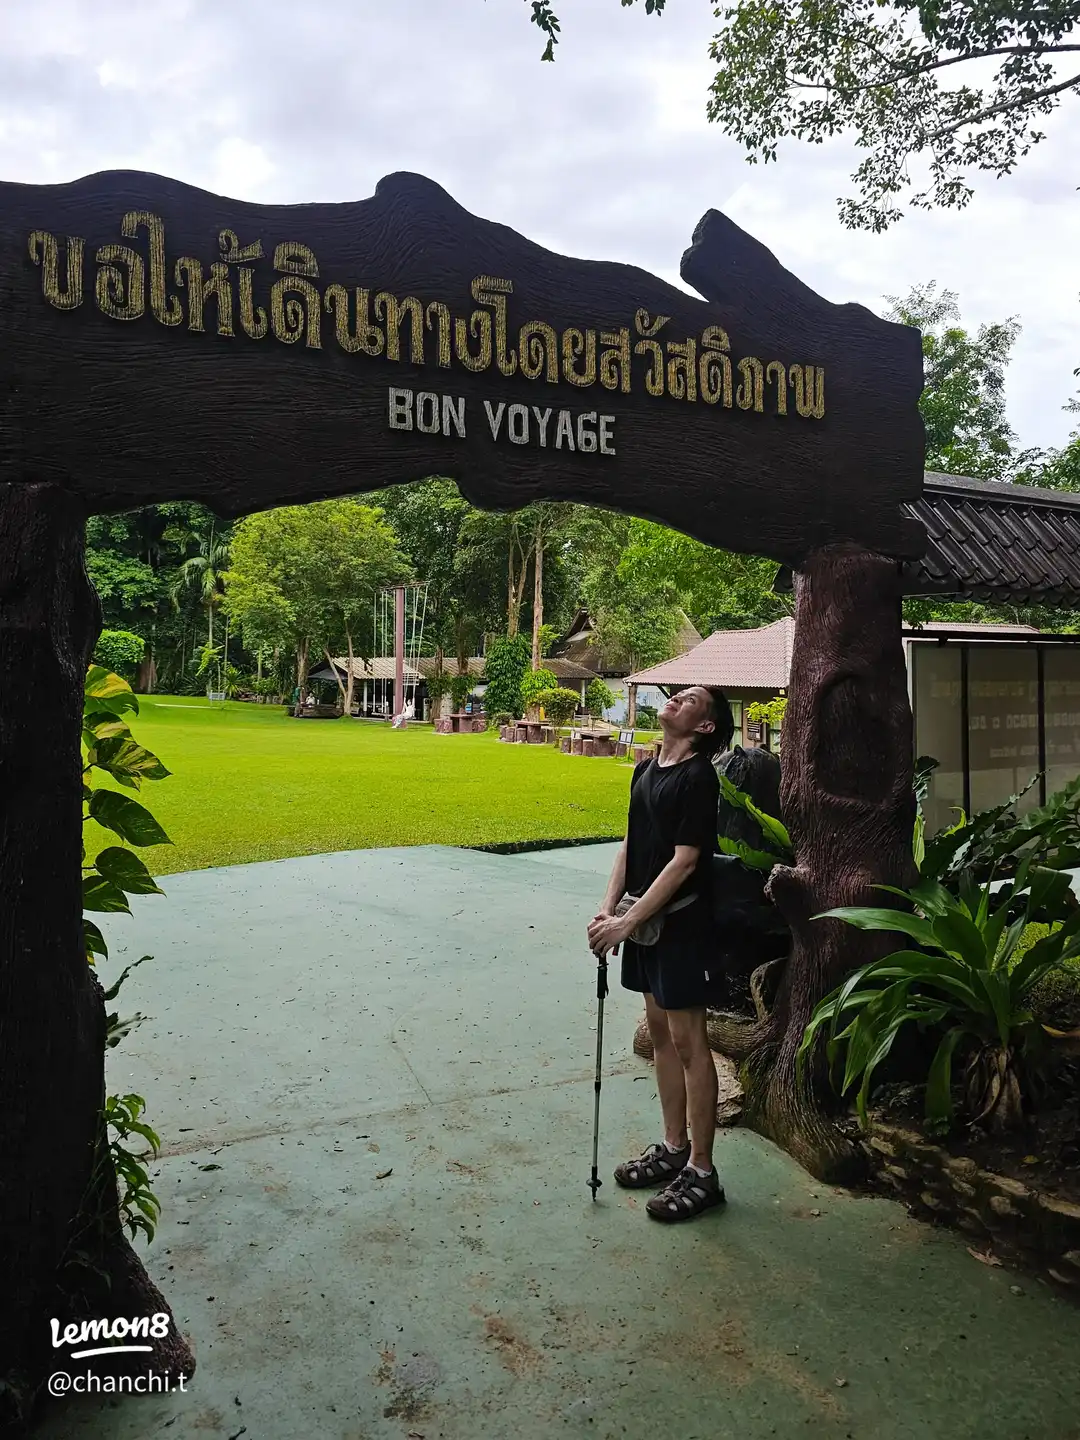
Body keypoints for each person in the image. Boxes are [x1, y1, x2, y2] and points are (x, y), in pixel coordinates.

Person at [587, 686, 735, 1223]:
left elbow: (686, 862)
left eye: (691, 699)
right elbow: (630, 843)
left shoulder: (699, 777)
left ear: (705, 727)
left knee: (691, 1042)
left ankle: (702, 1171)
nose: (675, 698)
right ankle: (673, 1148)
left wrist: (629, 922)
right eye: (676, 694)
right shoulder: (646, 767)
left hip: (683, 925)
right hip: (645, 923)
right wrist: (608, 912)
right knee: (662, 1038)